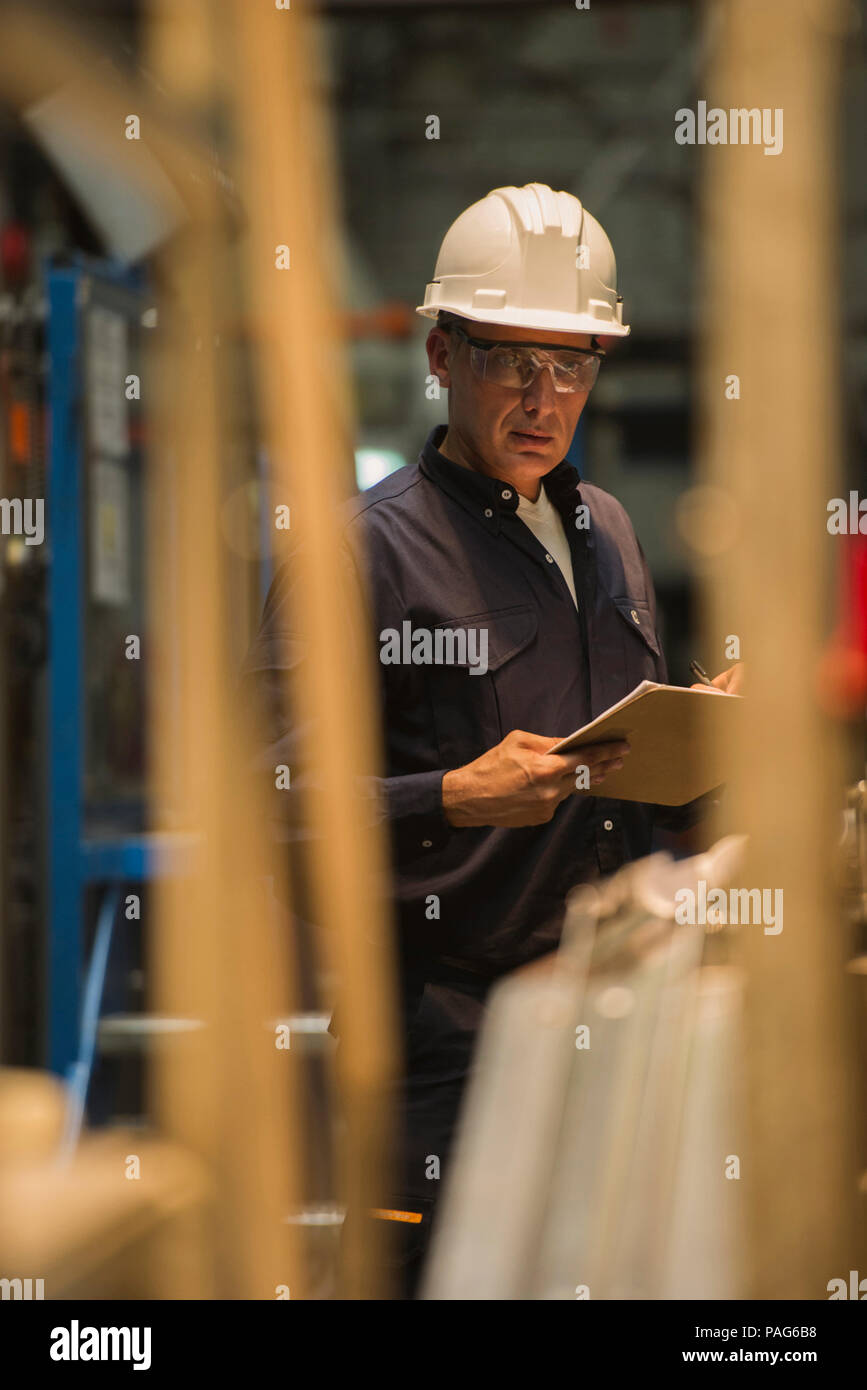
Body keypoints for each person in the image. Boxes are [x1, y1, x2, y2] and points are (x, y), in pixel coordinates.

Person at [241, 182, 741, 1298]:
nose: (542, 395)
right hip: (448, 1040)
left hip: (612, 1005)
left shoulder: (604, 530)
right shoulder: (360, 555)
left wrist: (710, 741)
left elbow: (630, 768)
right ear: (441, 353)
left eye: (572, 363)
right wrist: (451, 796)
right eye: (511, 358)